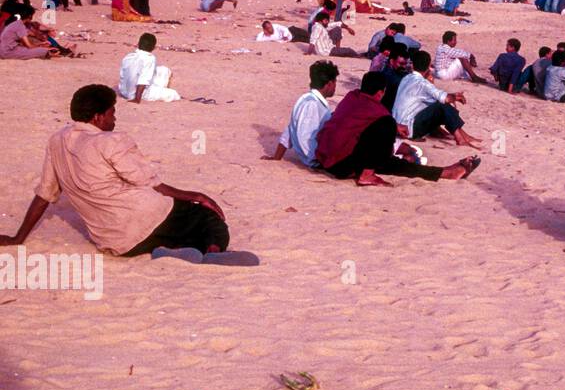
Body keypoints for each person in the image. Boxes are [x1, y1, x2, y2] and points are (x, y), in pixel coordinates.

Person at [1, 84, 256, 264]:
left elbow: (44, 194)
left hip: (118, 243)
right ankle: (211, 250)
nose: (115, 118)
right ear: (98, 116)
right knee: (206, 217)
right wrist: (197, 195)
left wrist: (18, 237)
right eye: (112, 112)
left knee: (177, 224)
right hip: (147, 217)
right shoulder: (111, 141)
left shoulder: (56, 141)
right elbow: (151, 183)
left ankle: (165, 250)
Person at [313, 71, 480, 186]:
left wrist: (394, 127)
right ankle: (367, 175)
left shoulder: (352, 97)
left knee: (390, 160)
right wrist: (394, 127)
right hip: (341, 165)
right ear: (380, 93)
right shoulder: (377, 109)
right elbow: (384, 122)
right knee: (385, 132)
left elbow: (363, 120)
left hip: (326, 159)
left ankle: (445, 172)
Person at [394, 50, 479, 147]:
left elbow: (432, 97)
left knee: (440, 105)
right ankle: (460, 138)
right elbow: (444, 99)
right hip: (409, 129)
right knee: (443, 106)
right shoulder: (422, 83)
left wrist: (452, 96)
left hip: (397, 125)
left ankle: (464, 136)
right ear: (428, 67)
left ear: (413, 66)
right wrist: (454, 97)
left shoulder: (407, 78)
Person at [263, 61, 338, 167]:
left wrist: (277, 157)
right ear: (329, 83)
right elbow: (305, 137)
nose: (335, 87)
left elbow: (291, 129)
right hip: (316, 159)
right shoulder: (312, 104)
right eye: (335, 83)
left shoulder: (307, 99)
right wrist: (316, 160)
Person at [118, 33, 181, 103]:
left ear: (138, 44)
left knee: (164, 70)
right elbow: (143, 80)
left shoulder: (129, 56)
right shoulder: (149, 58)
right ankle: (160, 90)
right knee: (173, 94)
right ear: (153, 47)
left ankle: (159, 89)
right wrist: (137, 99)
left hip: (123, 91)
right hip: (136, 94)